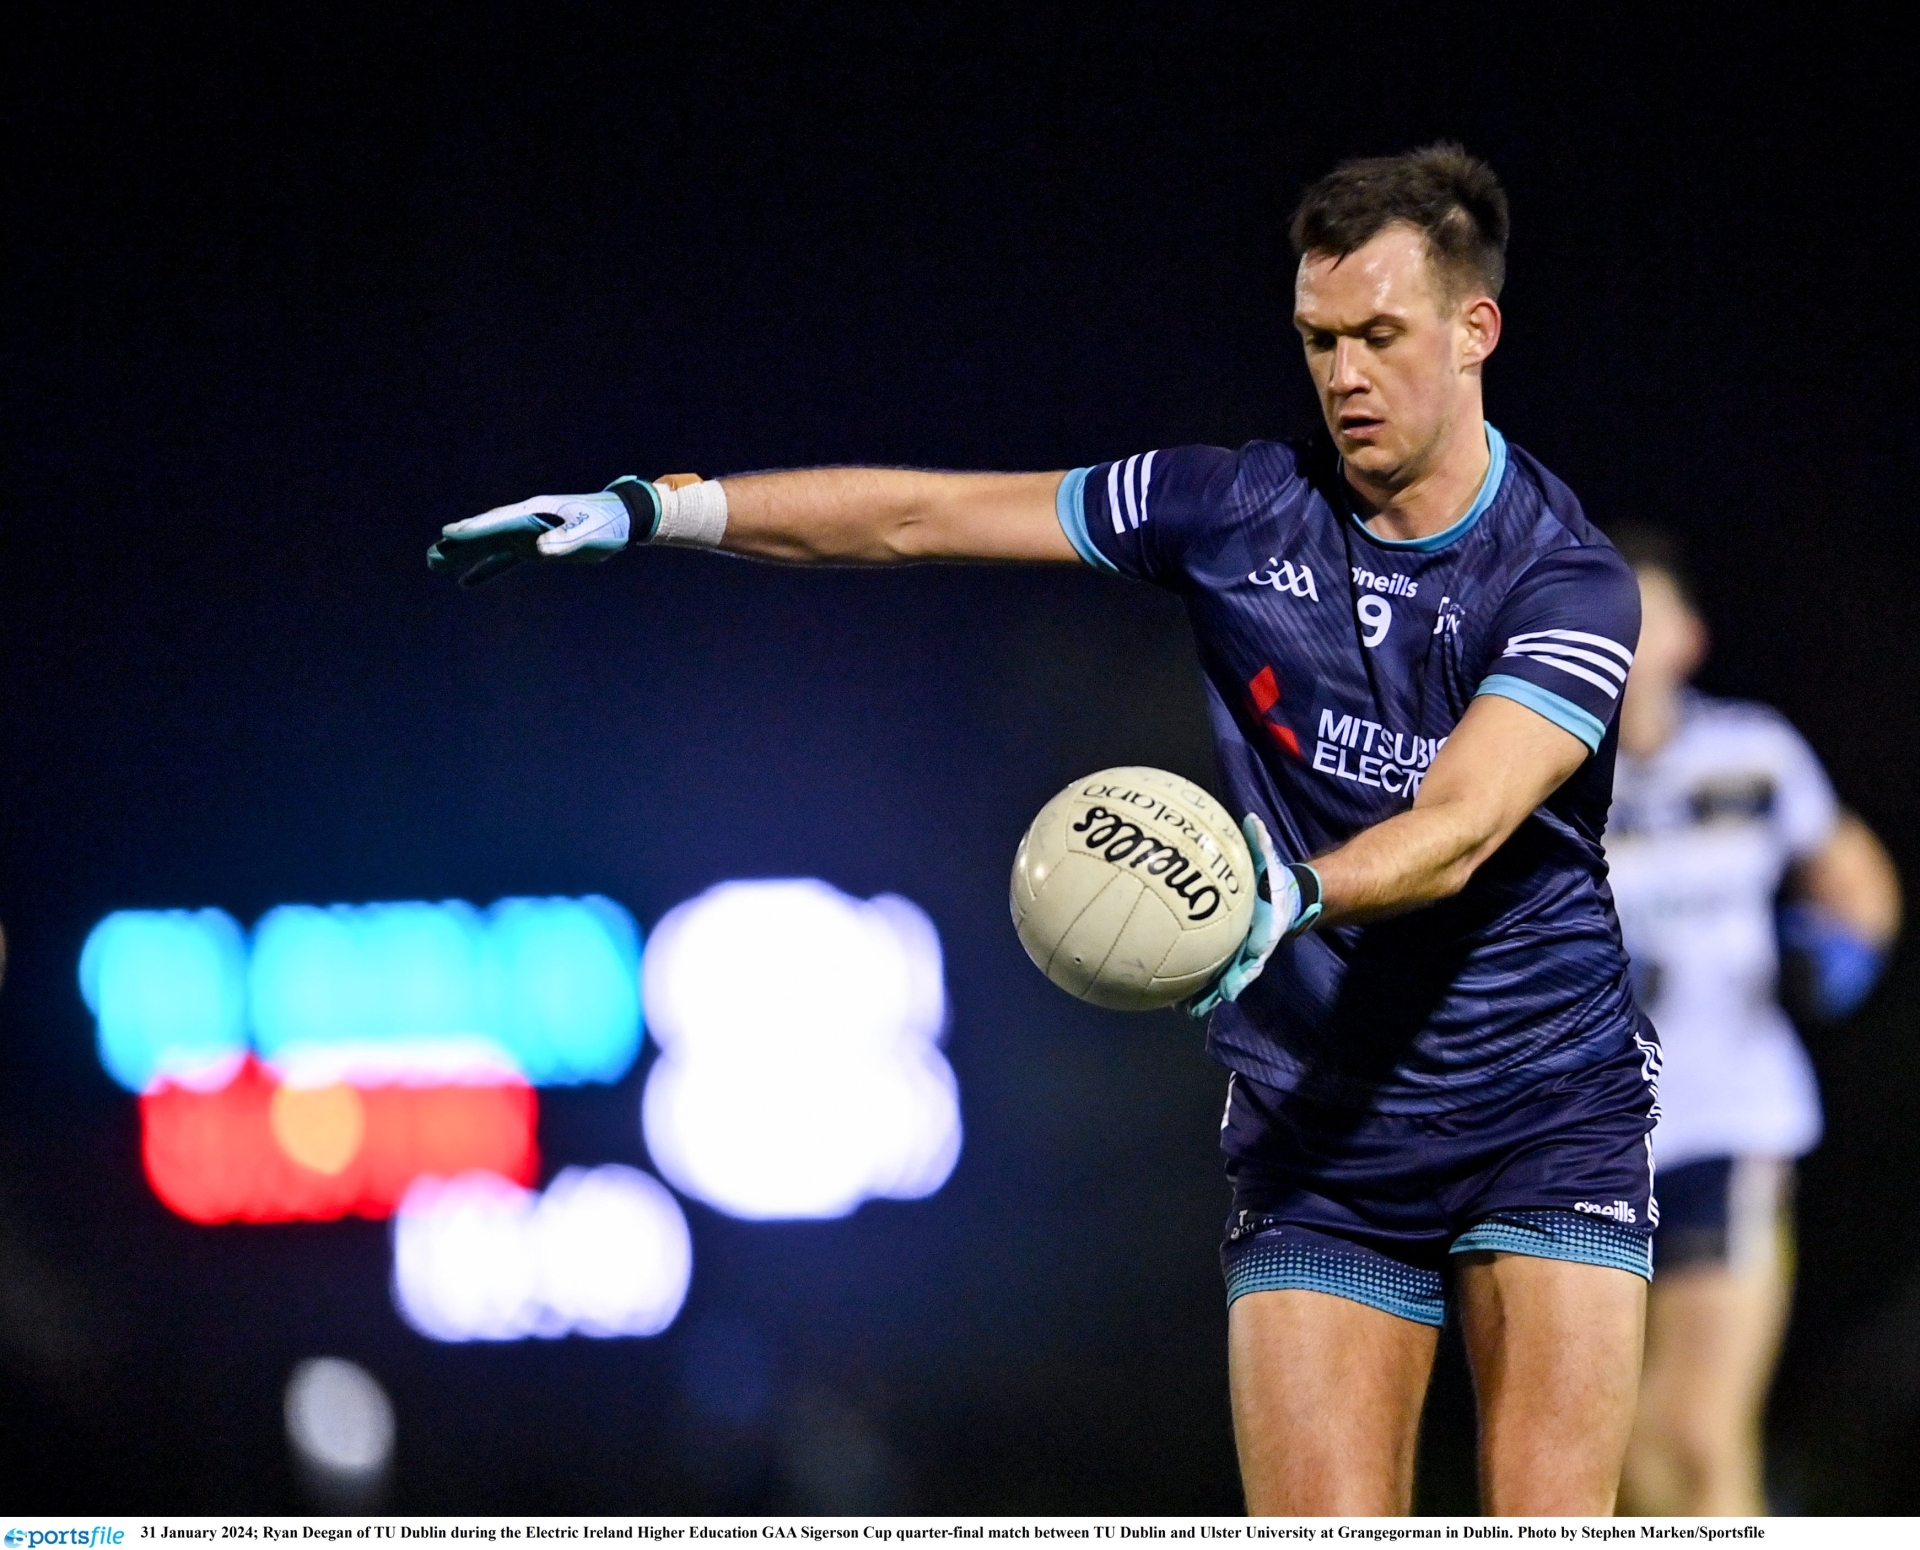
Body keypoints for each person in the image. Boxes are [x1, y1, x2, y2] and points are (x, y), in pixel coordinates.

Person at [430, 145, 1654, 1515]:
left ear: (1476, 328)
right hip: (1318, 1123)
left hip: (1544, 1107)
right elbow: (922, 515)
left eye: (1381, 335)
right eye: (1319, 340)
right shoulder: (1235, 510)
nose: (1344, 376)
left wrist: (1287, 897)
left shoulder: (1566, 580)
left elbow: (1464, 823)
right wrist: (655, 509)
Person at [1604, 527, 1900, 1515]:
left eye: (1642, 615)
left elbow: (1856, 877)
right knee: (1622, 1450)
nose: (1621, 637)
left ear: (1687, 636)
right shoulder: (1546, 775)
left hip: (1730, 1121)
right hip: (1593, 1147)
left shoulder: (1752, 751)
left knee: (1695, 1432)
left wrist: (1841, 953)